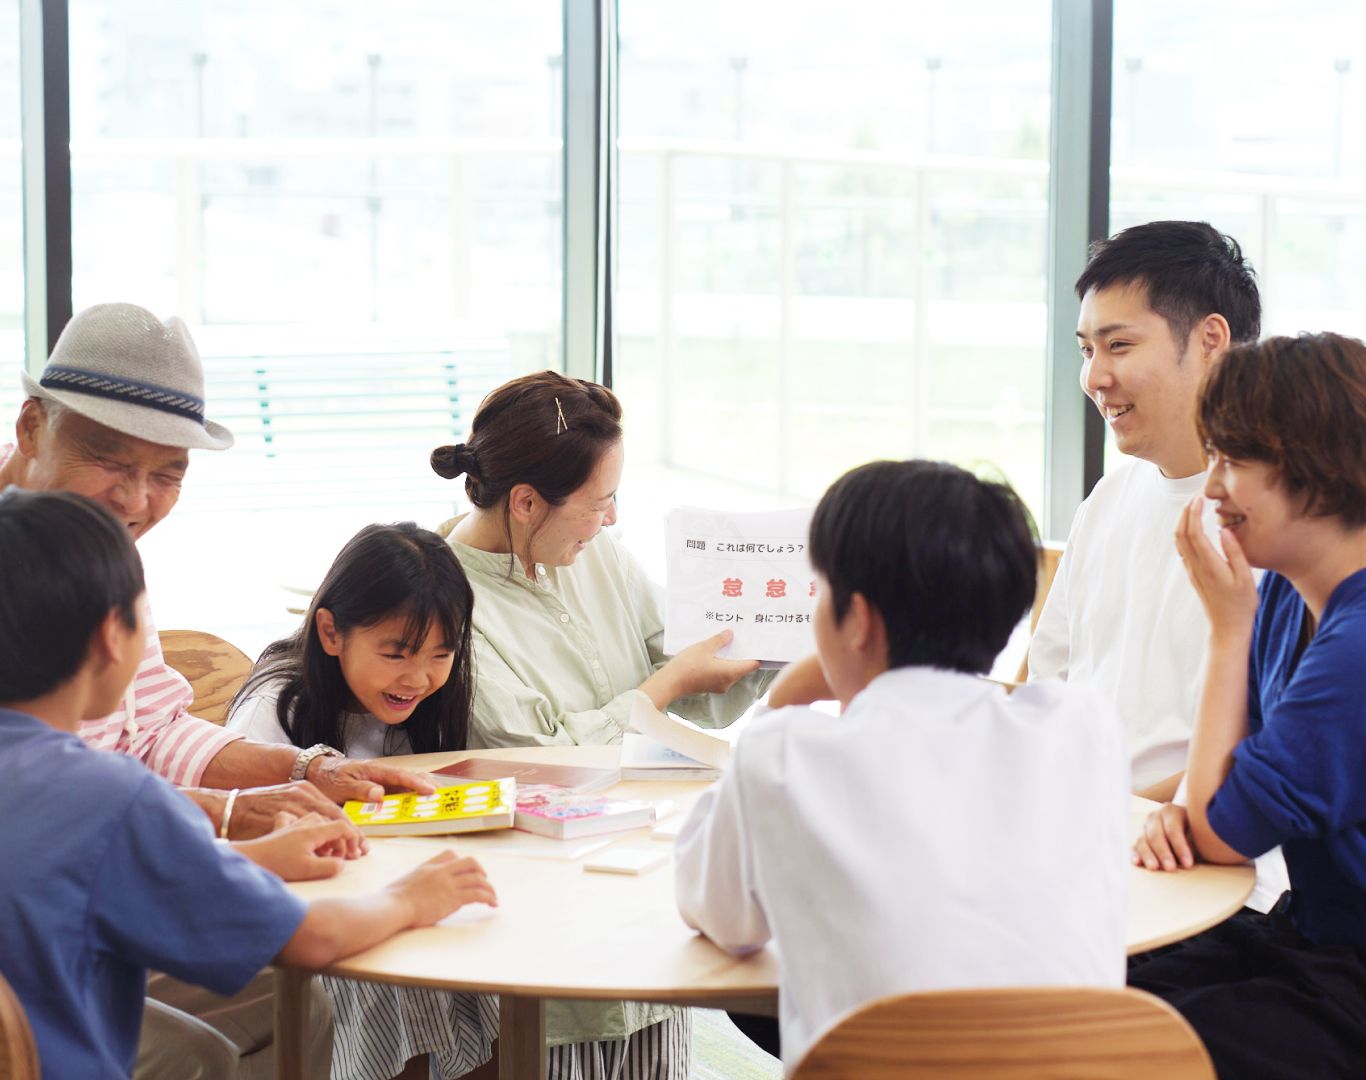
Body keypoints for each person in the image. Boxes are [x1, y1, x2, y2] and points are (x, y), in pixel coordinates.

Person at [0, 302, 439, 1078]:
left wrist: (307, 770)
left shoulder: (92, 547)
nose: (138, 501)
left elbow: (156, 727)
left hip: (72, 913)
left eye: (168, 474)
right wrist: (232, 825)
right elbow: (69, 802)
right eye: (112, 461)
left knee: (302, 991)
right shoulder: (32, 569)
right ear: (32, 427)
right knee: (211, 1042)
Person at [0, 487, 498, 1080]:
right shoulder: (109, 792)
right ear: (114, 637)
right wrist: (413, 897)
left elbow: (109, 877)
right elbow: (307, 940)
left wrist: (257, 856)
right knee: (209, 1050)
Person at [674, 459, 1129, 1072]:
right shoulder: (1082, 730)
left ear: (857, 620)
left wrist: (780, 702)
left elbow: (720, 915)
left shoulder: (786, 754)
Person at [431, 369, 773, 1079]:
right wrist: (667, 682)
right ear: (525, 502)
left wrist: (785, 632)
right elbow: (538, 761)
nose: (612, 519)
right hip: (540, 913)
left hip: (648, 886)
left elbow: (687, 682)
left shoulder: (597, 557)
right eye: (600, 502)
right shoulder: (444, 603)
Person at [1128, 332, 1366, 1079]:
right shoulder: (1287, 602)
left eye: (1234, 461)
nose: (1212, 490)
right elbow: (1223, 795)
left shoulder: (1355, 643)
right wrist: (1181, 811)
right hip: (1313, 940)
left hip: (1351, 977)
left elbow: (1224, 832)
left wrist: (1228, 632)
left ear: (1320, 472)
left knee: (1115, 1041)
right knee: (1081, 986)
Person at [228, 523, 499, 1080]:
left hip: (392, 894)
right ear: (330, 632)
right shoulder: (276, 711)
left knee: (484, 963)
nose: (418, 677)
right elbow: (253, 856)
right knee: (395, 987)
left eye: (441, 654)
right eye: (396, 653)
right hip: (310, 922)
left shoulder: (433, 702)